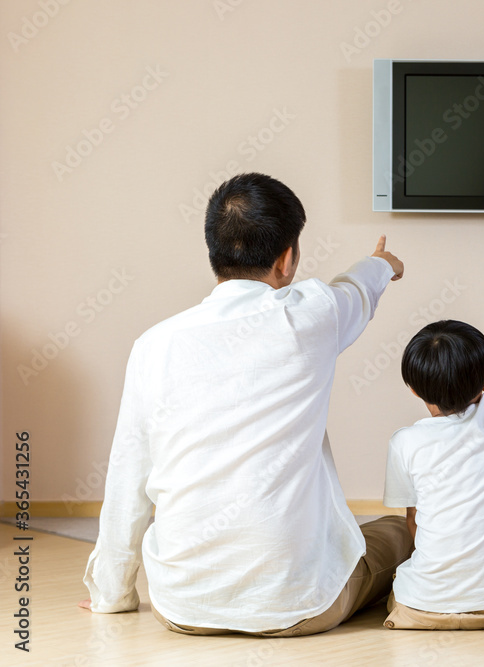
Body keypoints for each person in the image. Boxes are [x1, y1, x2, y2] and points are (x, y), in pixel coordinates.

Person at [80, 172, 414, 636]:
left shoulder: (154, 345)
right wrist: (381, 263)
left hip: (181, 607)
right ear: (287, 258)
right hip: (299, 605)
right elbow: (356, 290)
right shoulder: (312, 316)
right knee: (397, 533)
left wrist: (111, 595)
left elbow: (127, 474)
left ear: (213, 251)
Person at [382, 312, 484, 631]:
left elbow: (414, 520)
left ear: (412, 388)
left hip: (422, 609)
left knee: (396, 551)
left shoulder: (405, 442)